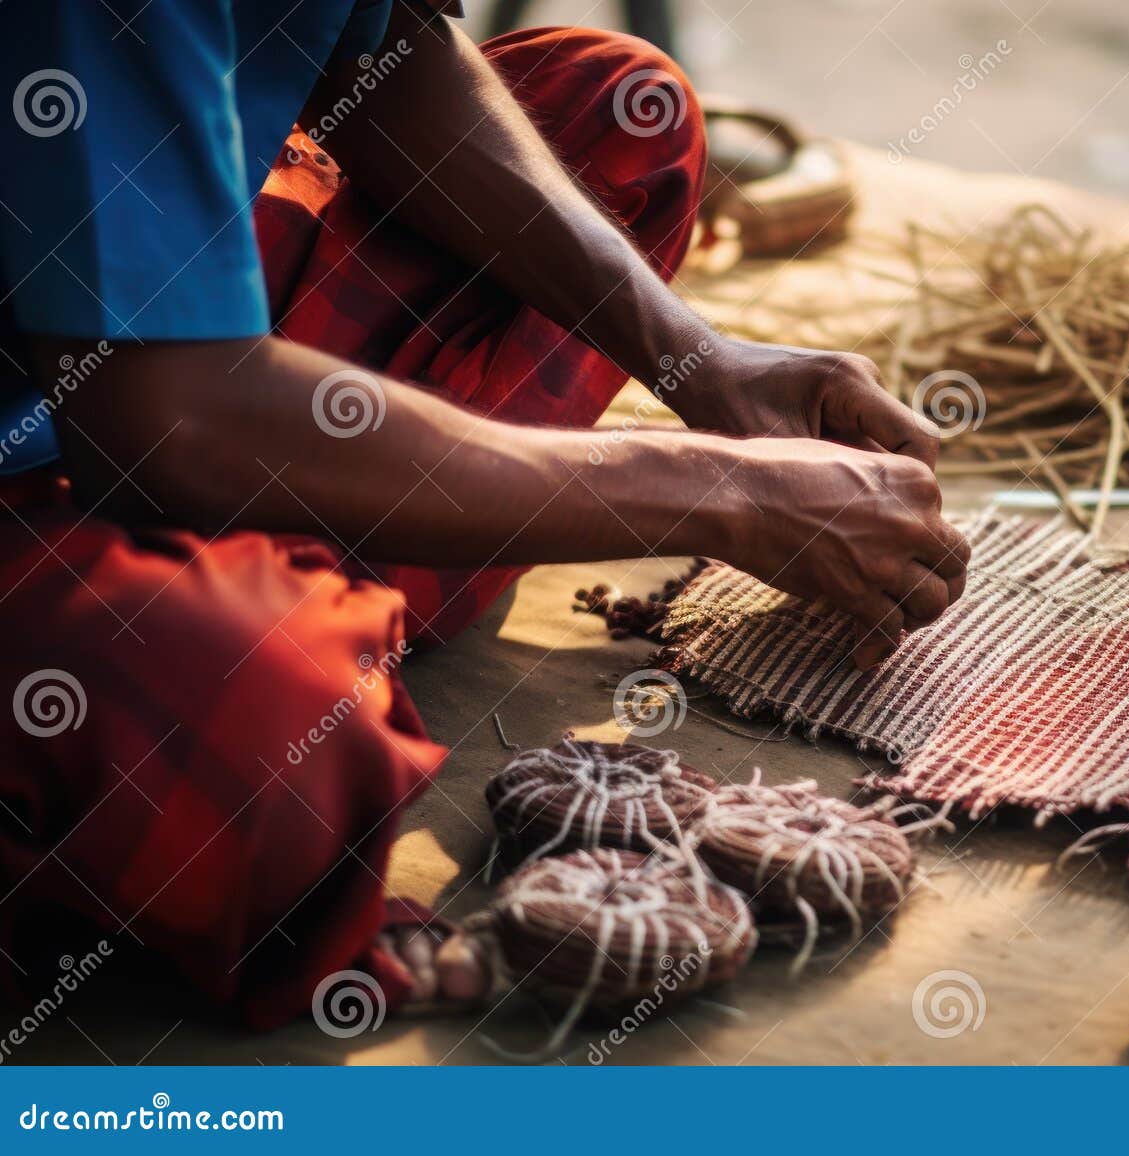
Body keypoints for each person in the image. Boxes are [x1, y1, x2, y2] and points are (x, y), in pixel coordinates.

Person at [0, 1, 967, 1028]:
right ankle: (244, 625)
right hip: (118, 424)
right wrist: (721, 492)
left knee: (615, 111)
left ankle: (281, 564)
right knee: (270, 720)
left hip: (128, 366)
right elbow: (168, 423)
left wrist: (704, 362)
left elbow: (379, 51)